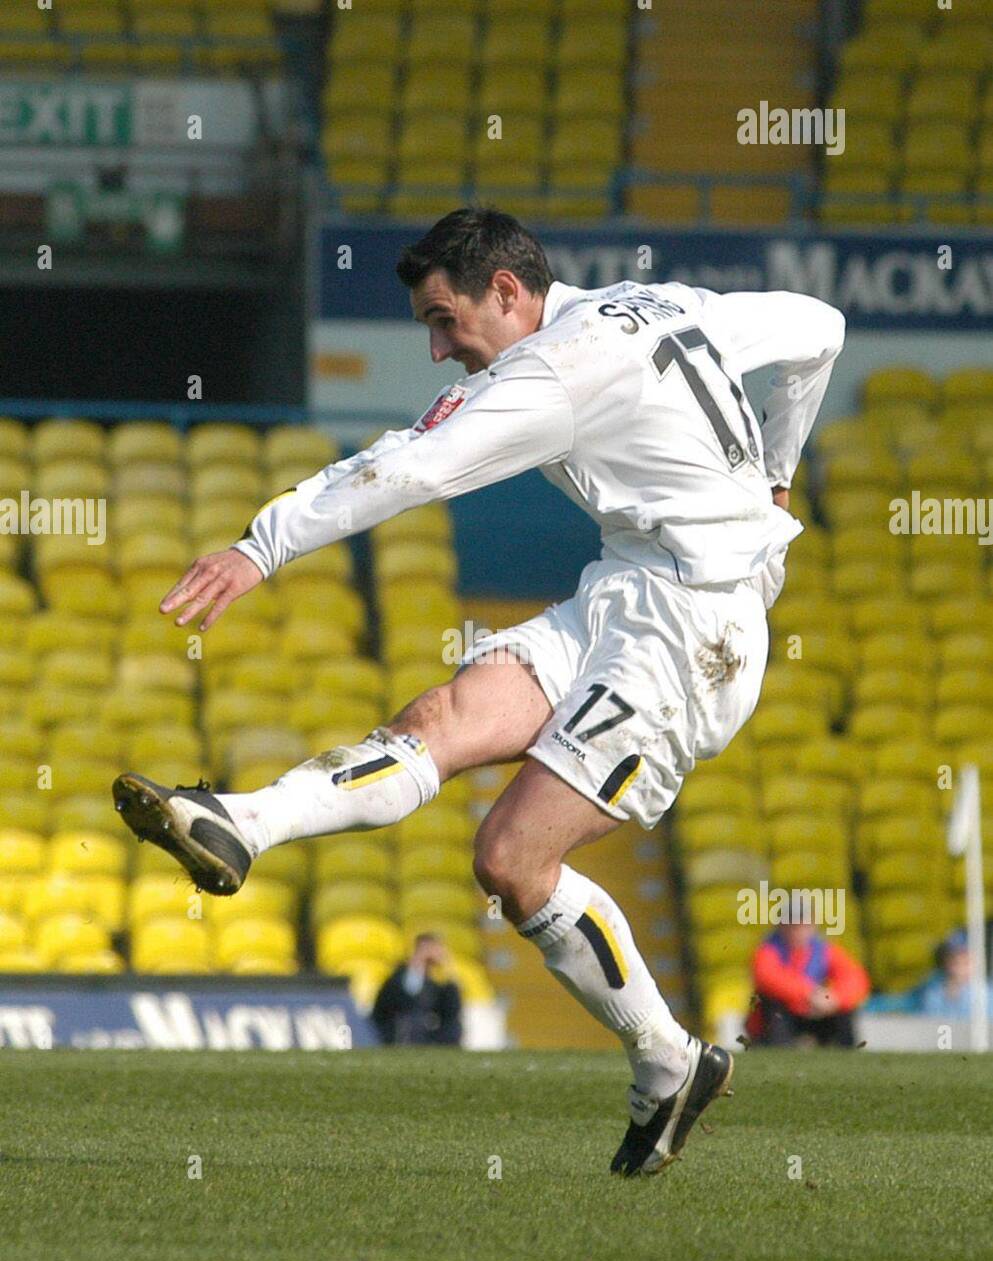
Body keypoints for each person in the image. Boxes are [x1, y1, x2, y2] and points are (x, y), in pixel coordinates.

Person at [112, 207, 845, 1176]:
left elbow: (409, 466)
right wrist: (778, 479)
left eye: (445, 320)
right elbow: (821, 328)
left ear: (507, 293)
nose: (438, 346)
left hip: (688, 637)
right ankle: (244, 823)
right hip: (623, 592)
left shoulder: (552, 369)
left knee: (508, 858)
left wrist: (263, 546)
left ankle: (667, 1058)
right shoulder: (660, 301)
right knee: (442, 716)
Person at [746, 903, 870, 1047]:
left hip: (815, 1012)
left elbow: (854, 977)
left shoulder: (823, 950)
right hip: (781, 1019)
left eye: (804, 923)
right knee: (772, 1004)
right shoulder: (769, 950)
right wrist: (809, 994)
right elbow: (767, 977)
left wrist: (835, 998)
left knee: (845, 1011)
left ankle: (847, 1053)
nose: (799, 929)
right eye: (793, 923)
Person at [372, 934, 462, 1046]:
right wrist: (418, 960)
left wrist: (447, 967)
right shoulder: (399, 976)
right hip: (398, 1028)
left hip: (426, 1030)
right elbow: (408, 1000)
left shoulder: (433, 982)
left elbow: (452, 1008)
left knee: (453, 1025)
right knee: (413, 1019)